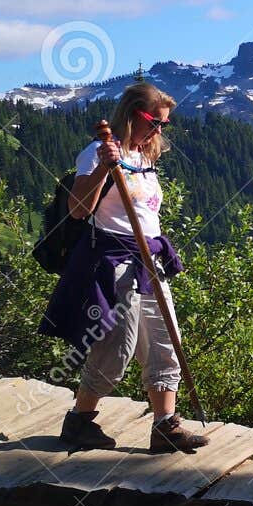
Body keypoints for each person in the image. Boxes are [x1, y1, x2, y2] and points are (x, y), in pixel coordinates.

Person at [40, 82, 209, 455]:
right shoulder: (97, 153)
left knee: (165, 342)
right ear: (133, 114)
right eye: (154, 121)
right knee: (118, 347)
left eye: (164, 124)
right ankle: (79, 420)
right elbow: (78, 210)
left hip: (150, 262)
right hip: (115, 262)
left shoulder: (144, 157)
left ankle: (165, 426)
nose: (158, 130)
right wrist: (105, 166)